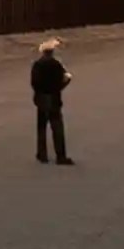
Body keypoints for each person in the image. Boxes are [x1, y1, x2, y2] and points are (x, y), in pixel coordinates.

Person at [31, 37, 74, 165]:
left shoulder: (37, 65)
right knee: (57, 128)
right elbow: (64, 79)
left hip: (41, 99)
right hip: (54, 98)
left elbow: (34, 83)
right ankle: (60, 156)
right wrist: (62, 86)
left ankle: (42, 154)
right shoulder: (56, 65)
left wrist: (38, 94)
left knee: (42, 128)